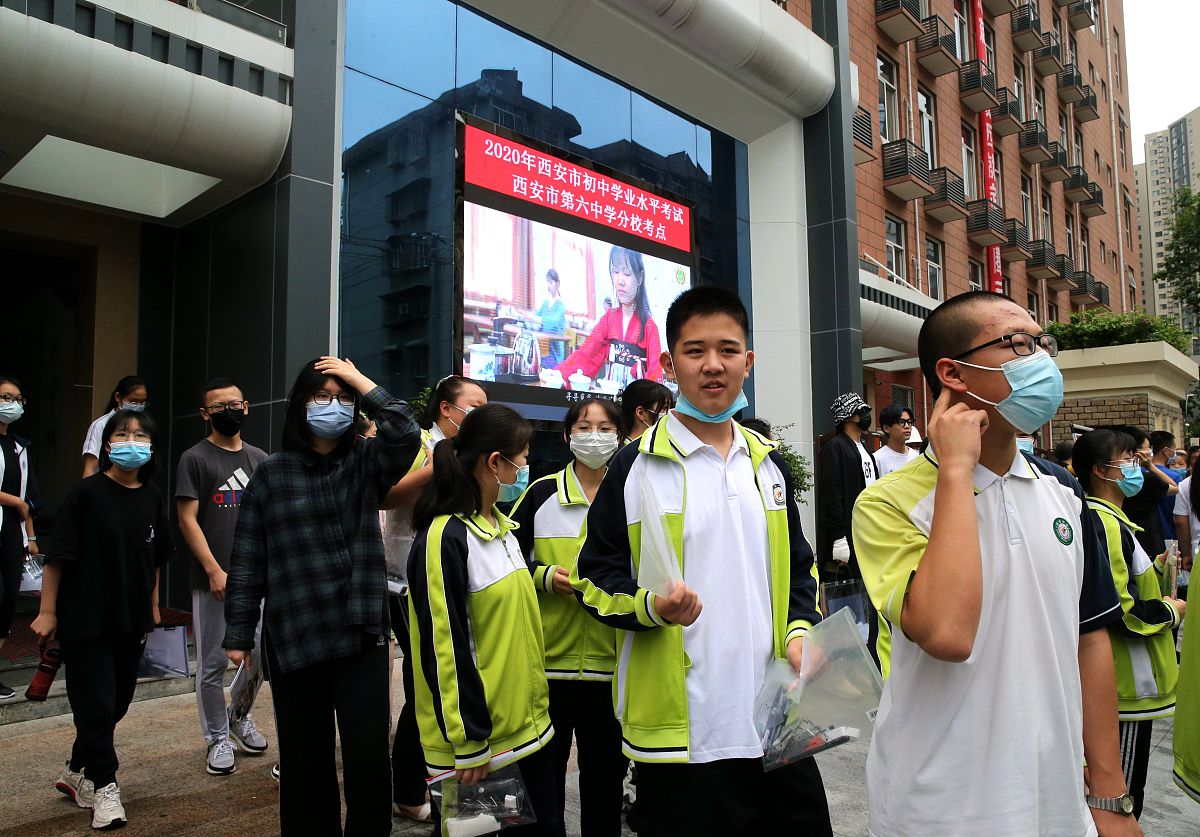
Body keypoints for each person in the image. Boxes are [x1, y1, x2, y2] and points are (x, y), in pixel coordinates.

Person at [853, 291, 1139, 837]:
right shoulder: (887, 502)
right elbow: (947, 633)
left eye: (1042, 343)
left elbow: (1090, 637)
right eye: (1019, 344)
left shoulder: (1064, 490)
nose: (1041, 359)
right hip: (938, 807)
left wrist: (1109, 791)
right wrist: (955, 472)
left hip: (1056, 800)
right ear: (952, 373)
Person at [572, 286, 831, 836]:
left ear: (747, 361)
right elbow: (593, 579)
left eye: (728, 350)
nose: (713, 365)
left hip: (778, 721)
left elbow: (799, 569)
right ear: (669, 364)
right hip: (684, 738)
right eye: (695, 351)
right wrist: (652, 607)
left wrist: (800, 631)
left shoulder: (768, 466)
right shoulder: (635, 469)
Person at [223, 357, 420, 837]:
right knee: (304, 759)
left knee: (368, 755)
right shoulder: (272, 474)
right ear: (300, 404)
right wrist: (239, 633)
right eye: (322, 396)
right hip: (295, 631)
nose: (334, 405)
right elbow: (248, 558)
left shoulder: (365, 461)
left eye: (343, 398)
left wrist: (359, 380)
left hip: (360, 632)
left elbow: (405, 431)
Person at [407, 404, 563, 837]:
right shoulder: (445, 538)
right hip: (481, 749)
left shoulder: (500, 529)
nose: (526, 468)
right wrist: (469, 740)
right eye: (523, 458)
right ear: (496, 462)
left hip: (527, 732)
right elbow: (445, 647)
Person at [31, 408, 173, 830]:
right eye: (123, 434)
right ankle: (105, 787)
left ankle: (77, 768)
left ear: (152, 447)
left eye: (140, 436)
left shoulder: (153, 495)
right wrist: (47, 612)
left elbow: (155, 557)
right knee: (95, 702)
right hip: (85, 616)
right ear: (108, 444)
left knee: (117, 702)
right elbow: (58, 557)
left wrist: (154, 605)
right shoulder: (86, 493)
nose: (132, 442)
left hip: (131, 617)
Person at [509, 399, 626, 836]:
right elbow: (504, 557)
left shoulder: (632, 493)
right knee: (543, 784)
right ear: (567, 436)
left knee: (605, 783)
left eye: (605, 428)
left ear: (619, 436)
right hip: (548, 668)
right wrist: (542, 577)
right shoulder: (541, 493)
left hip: (610, 667)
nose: (594, 436)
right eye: (584, 427)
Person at [1075, 428, 1183, 818]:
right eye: (1130, 460)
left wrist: (1155, 569)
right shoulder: (1104, 523)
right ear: (1101, 470)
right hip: (1122, 687)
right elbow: (1120, 609)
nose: (1138, 467)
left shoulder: (1112, 521)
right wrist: (1171, 611)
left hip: (1122, 685)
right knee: (1118, 797)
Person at [176, 378, 269, 777]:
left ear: (245, 407)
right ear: (205, 414)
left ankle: (238, 715)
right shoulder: (194, 459)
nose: (227, 412)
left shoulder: (260, 459)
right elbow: (187, 519)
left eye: (233, 404)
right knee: (212, 664)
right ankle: (216, 737)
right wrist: (214, 570)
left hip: (257, 578)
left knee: (261, 655)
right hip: (213, 580)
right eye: (218, 407)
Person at [558, 247, 663, 388]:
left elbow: (655, 372)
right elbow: (587, 354)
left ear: (640, 277)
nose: (620, 280)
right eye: (616, 271)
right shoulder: (609, 318)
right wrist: (559, 375)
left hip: (637, 397)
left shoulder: (649, 326)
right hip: (610, 395)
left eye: (627, 273)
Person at [0, 375, 38, 702]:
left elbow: (29, 497)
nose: (12, 404)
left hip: (12, 532)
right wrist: (15, 502)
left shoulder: (18, 446)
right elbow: (19, 500)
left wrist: (31, 536)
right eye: (5, 397)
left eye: (17, 398)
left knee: (6, 601)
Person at [816, 392, 878, 580]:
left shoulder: (864, 449)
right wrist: (838, 537)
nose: (866, 416)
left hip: (867, 531)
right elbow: (831, 494)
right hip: (848, 533)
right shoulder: (834, 447)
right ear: (847, 417)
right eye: (861, 412)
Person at [1120, 426, 1179, 559]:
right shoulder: (1144, 479)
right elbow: (1174, 487)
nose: (1150, 452)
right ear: (1137, 452)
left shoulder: (1115, 478)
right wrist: (1149, 465)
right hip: (1148, 544)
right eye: (1147, 448)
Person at [81, 376, 147, 478]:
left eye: (142, 403)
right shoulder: (101, 425)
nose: (138, 406)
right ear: (118, 397)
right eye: (133, 402)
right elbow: (90, 468)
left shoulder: (145, 425)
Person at [874, 404, 918, 477]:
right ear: (886, 428)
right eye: (901, 422)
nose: (907, 426)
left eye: (909, 422)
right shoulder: (877, 459)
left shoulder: (915, 456)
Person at [535, 269, 568, 366]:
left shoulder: (561, 305)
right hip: (544, 348)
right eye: (547, 282)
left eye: (551, 283)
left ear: (557, 284)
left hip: (555, 352)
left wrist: (539, 320)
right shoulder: (545, 302)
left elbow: (553, 322)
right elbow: (535, 316)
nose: (548, 286)